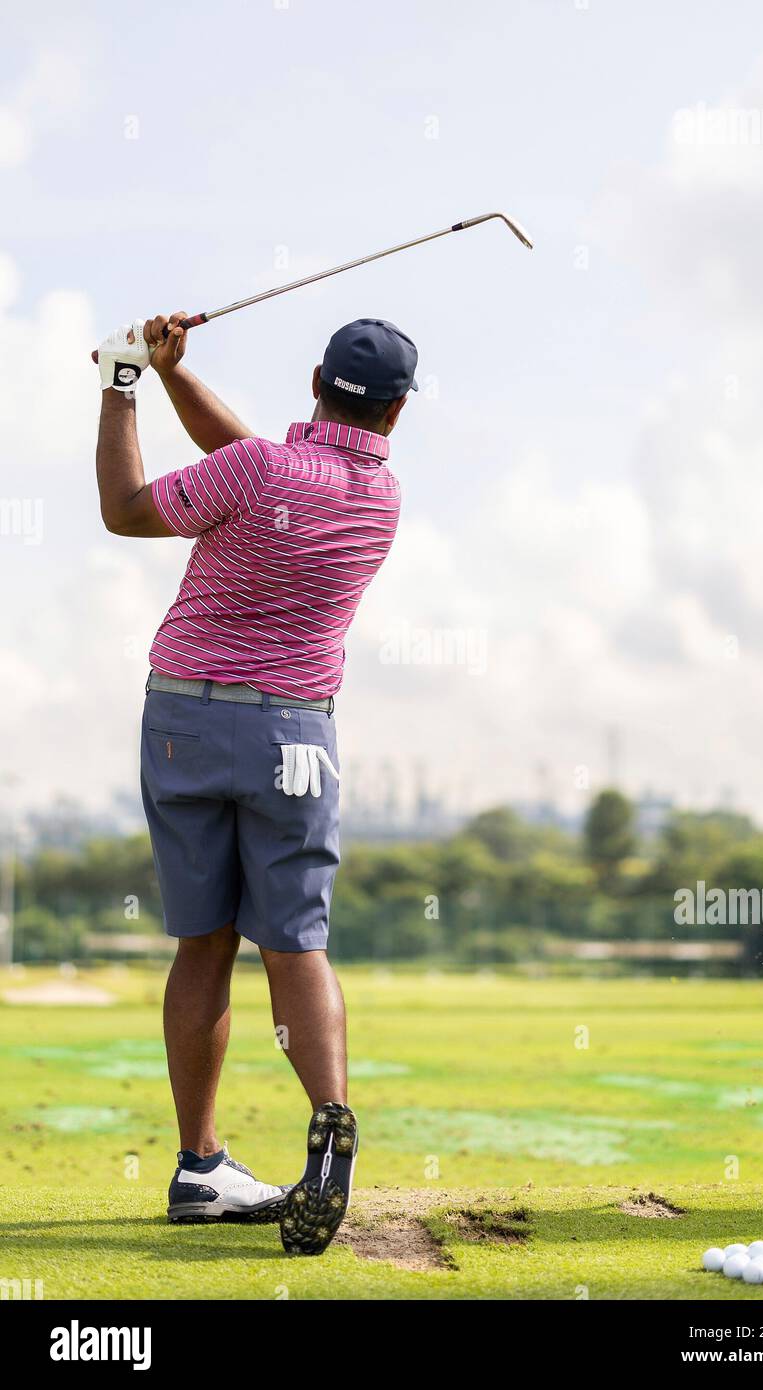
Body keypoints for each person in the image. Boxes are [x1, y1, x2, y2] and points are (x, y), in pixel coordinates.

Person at [94, 312, 416, 1254]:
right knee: (295, 947)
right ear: (397, 412)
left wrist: (122, 384)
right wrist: (174, 376)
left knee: (203, 944)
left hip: (187, 722)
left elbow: (126, 506)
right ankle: (328, 1121)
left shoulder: (261, 472)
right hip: (297, 737)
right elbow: (256, 464)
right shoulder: (379, 495)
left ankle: (199, 1165)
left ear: (315, 378)